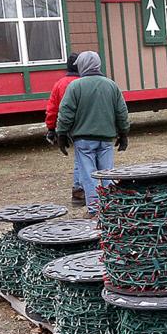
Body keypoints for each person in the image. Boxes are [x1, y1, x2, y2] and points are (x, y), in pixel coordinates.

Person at [54, 51, 129, 216]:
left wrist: (61, 134)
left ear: (81, 66)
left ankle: (95, 210)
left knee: (89, 176)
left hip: (83, 140)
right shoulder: (111, 85)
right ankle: (110, 208)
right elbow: (121, 112)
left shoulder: (75, 86)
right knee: (108, 173)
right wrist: (123, 133)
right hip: (106, 138)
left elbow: (65, 112)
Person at [44, 52, 85, 206]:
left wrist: (51, 128)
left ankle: (80, 191)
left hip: (68, 126)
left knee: (80, 157)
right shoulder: (84, 82)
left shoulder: (59, 84)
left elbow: (52, 108)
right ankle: (79, 190)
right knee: (83, 159)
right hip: (84, 125)